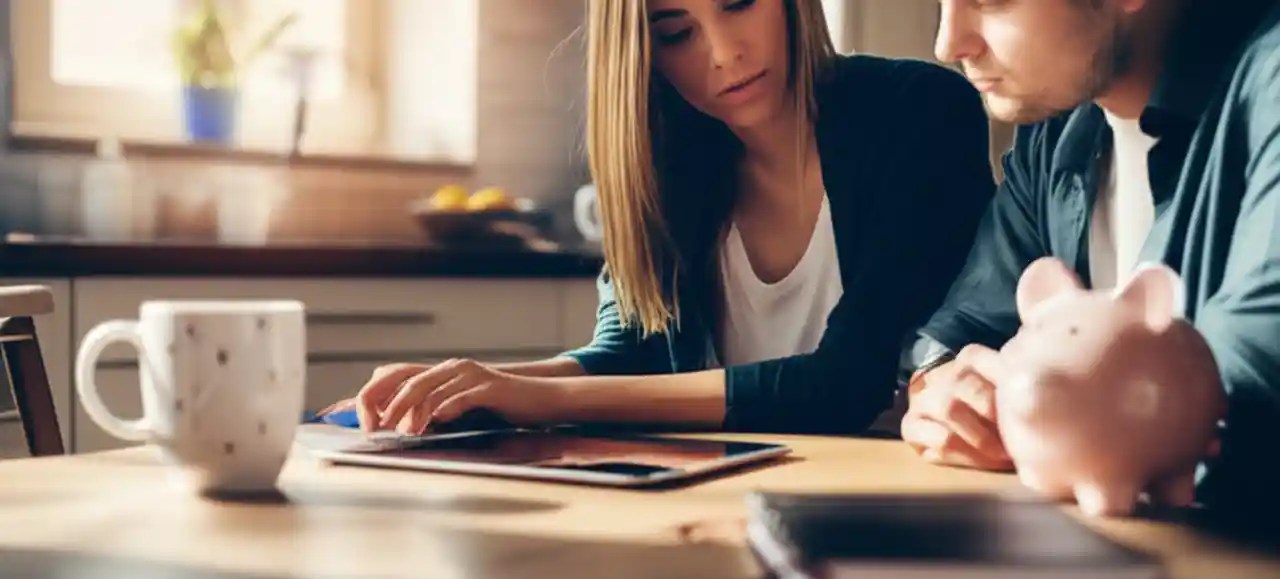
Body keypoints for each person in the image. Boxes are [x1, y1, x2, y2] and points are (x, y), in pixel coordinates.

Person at [324, 0, 993, 437]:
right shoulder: (668, 165)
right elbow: (628, 356)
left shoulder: (918, 112)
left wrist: (540, 400)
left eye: (739, 3)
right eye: (677, 33)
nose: (724, 51)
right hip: (726, 503)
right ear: (644, 53)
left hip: (898, 501)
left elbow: (850, 381)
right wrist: (465, 387)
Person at [902, 0, 1280, 517]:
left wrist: (1028, 400)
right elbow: (960, 334)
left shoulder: (1269, 81)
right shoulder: (1055, 125)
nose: (948, 44)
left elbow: (1245, 391)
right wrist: (944, 393)